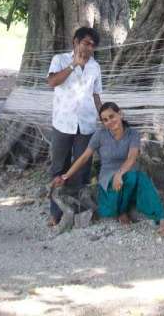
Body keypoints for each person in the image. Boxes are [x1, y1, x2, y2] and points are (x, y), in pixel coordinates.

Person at [52, 102, 164, 237]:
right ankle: (121, 211)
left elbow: (132, 157)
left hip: (128, 172)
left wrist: (120, 173)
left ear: (120, 114)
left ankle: (162, 219)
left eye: (112, 116)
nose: (110, 121)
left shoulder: (133, 134)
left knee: (139, 178)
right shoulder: (100, 135)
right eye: (105, 120)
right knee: (125, 185)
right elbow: (84, 157)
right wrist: (65, 176)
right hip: (108, 177)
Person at [47, 26, 103, 226]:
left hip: (86, 124)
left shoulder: (95, 67)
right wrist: (73, 65)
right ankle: (55, 213)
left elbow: (96, 94)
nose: (89, 48)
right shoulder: (60, 59)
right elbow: (52, 82)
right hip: (63, 122)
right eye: (86, 43)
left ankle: (78, 210)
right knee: (59, 166)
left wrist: (102, 115)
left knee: (81, 168)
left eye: (93, 45)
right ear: (75, 41)